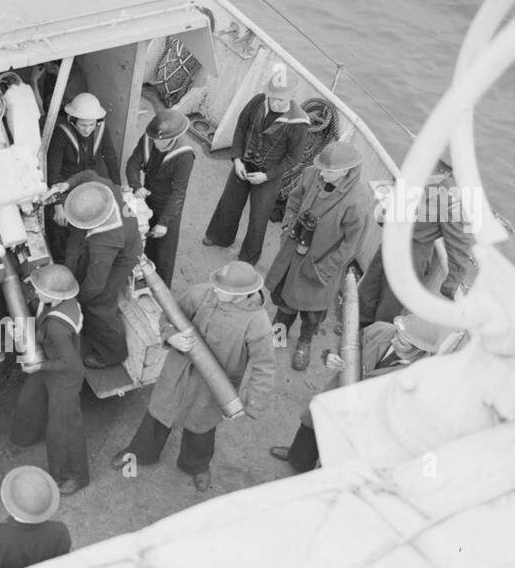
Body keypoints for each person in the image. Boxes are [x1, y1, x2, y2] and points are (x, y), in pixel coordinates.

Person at [112, 261, 275, 493]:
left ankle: (196, 465)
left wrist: (251, 404)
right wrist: (171, 337)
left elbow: (264, 367)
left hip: (214, 388)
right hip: (178, 372)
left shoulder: (258, 323)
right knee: (159, 414)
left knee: (201, 427)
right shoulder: (201, 294)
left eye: (222, 290)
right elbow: (168, 317)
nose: (215, 290)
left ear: (241, 295)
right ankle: (140, 453)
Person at [270, 315, 462, 473]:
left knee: (337, 461)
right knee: (311, 428)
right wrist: (329, 356)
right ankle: (298, 460)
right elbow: (347, 344)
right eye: (398, 334)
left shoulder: (420, 379)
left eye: (402, 341)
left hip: (363, 426)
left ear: (419, 350)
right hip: (335, 399)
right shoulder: (380, 330)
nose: (394, 339)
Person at [265, 140, 373, 371]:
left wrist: (323, 268)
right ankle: (279, 334)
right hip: (293, 254)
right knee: (284, 299)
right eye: (322, 168)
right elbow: (294, 200)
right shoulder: (312, 174)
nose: (322, 173)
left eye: (329, 171)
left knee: (312, 312)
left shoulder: (358, 202)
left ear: (346, 171)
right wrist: (287, 228)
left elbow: (351, 246)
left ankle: (305, 343)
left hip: (322, 265)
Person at [203, 73, 310, 264]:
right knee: (229, 202)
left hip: (268, 175)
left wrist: (267, 175)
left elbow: (293, 158)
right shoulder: (258, 102)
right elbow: (241, 128)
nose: (275, 102)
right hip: (243, 164)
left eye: (281, 99)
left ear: (291, 97)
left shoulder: (299, 123)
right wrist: (237, 159)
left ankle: (248, 258)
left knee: (259, 217)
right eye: (273, 97)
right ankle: (219, 237)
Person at [358, 160, 475, 327]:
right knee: (371, 283)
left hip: (414, 252)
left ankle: (375, 337)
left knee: (392, 302)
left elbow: (460, 242)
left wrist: (453, 279)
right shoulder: (424, 178)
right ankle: (358, 323)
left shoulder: (454, 198)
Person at [8, 263, 89, 494]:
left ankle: (74, 476)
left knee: (63, 429)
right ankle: (26, 436)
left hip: (64, 379)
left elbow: (70, 364)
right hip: (51, 364)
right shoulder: (56, 303)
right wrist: (23, 334)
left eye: (38, 288)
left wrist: (39, 366)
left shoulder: (57, 326)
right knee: (28, 401)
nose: (34, 291)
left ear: (53, 294)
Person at [62, 173, 142, 370]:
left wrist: (76, 299)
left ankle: (112, 353)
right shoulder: (102, 187)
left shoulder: (104, 242)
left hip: (125, 255)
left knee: (100, 301)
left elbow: (95, 285)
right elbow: (86, 175)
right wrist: (66, 184)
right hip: (119, 237)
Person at [125, 107, 196, 286]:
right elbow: (133, 162)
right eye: (155, 140)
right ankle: (143, 280)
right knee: (145, 244)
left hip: (168, 206)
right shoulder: (150, 138)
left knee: (164, 253)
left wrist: (164, 222)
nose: (156, 144)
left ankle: (162, 290)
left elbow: (179, 192)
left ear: (173, 139)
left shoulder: (185, 156)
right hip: (147, 197)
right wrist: (136, 186)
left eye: (161, 142)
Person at [45, 92, 118, 260]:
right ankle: (60, 261)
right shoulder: (61, 134)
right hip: (65, 186)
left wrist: (118, 188)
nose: (87, 129)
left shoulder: (101, 130)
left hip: (89, 183)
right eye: (83, 125)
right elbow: (53, 172)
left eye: (91, 125)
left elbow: (111, 159)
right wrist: (57, 205)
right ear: (72, 120)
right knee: (58, 223)